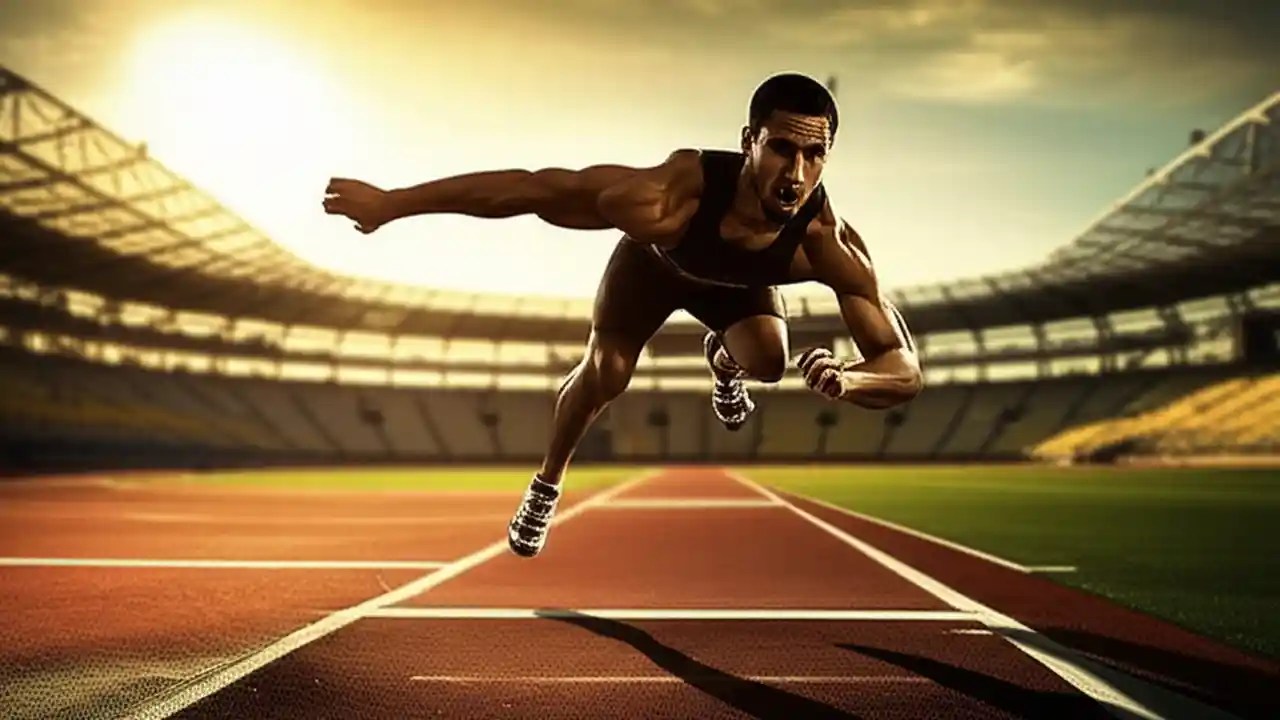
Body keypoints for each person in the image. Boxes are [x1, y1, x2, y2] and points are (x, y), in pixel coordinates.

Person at [324, 72, 923, 558]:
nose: (796, 175)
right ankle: (546, 483)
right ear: (750, 142)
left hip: (739, 290)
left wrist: (851, 379)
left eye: (814, 155)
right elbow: (534, 191)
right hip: (653, 270)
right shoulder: (668, 198)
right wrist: (394, 203)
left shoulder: (824, 242)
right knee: (607, 374)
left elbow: (903, 369)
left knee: (770, 360)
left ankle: (723, 361)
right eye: (782, 149)